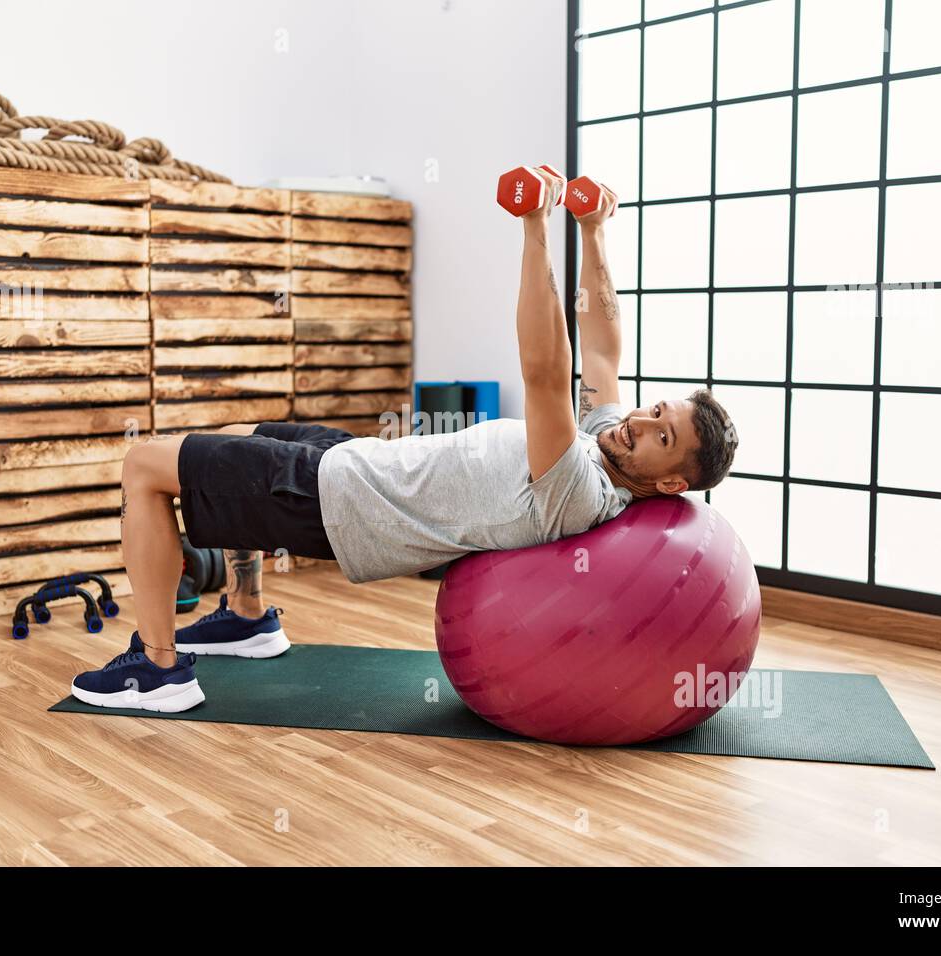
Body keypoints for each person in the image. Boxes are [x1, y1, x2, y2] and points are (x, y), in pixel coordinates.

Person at [70, 168, 739, 712]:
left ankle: (157, 670)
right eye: (655, 410)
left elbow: (543, 373)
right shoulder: (607, 442)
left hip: (338, 502)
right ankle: (246, 614)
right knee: (239, 434)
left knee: (144, 465)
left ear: (672, 481)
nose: (641, 423)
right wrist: (593, 232)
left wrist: (536, 227)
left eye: (661, 436)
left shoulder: (581, 489)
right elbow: (600, 347)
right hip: (359, 460)